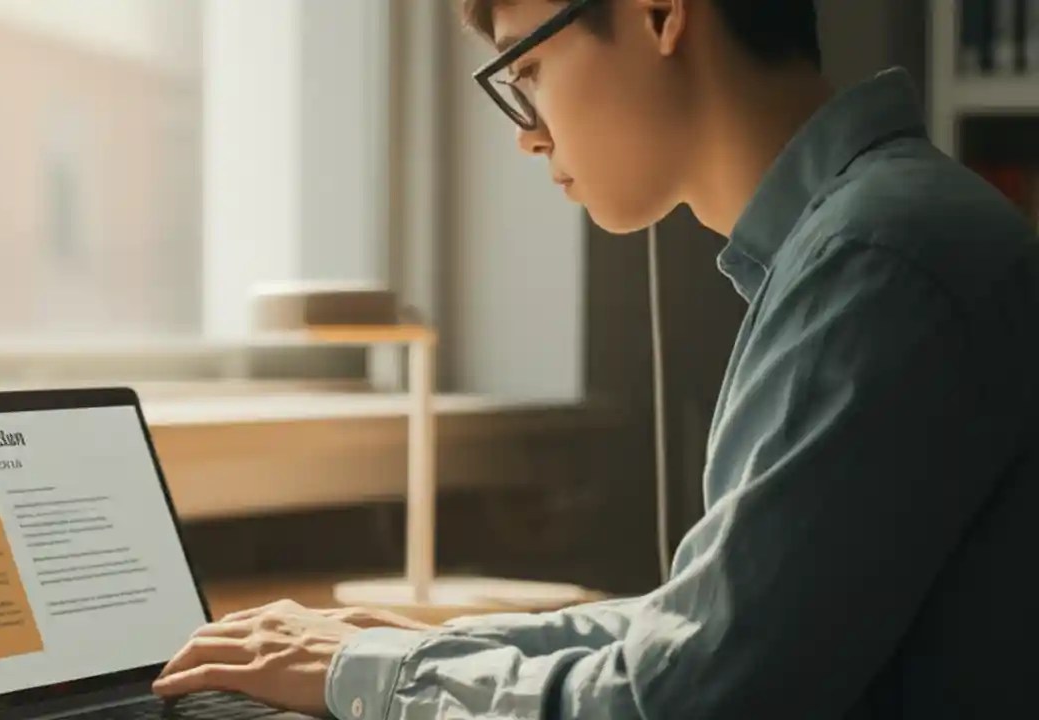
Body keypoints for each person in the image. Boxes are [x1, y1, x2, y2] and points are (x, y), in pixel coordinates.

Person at [153, 0, 1039, 717]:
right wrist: (419, 649)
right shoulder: (865, 240)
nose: (527, 135)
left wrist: (371, 678)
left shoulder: (878, 262)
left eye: (527, 68)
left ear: (660, 14)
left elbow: (682, 700)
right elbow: (706, 634)